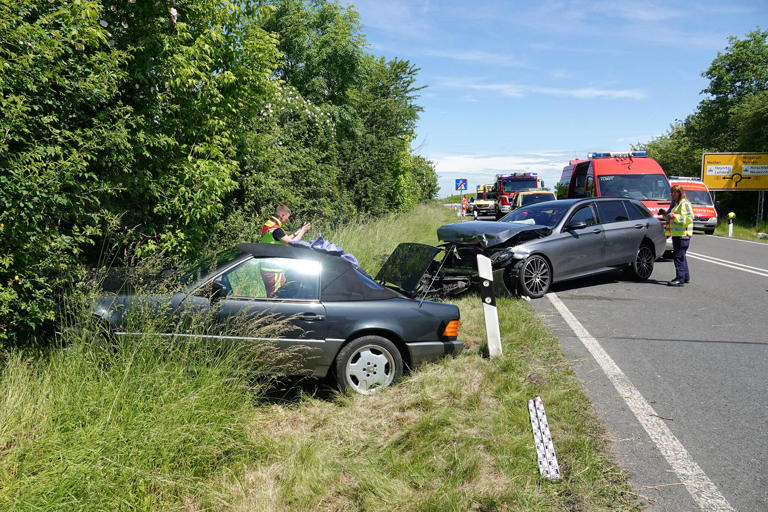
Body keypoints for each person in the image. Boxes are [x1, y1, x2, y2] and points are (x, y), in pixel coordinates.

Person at [260, 205, 311, 296]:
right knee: (276, 297)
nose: (288, 220)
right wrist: (303, 231)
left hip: (266, 267)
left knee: (271, 295)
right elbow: (292, 244)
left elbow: (286, 239)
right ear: (282, 216)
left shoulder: (269, 224)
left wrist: (299, 230)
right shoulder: (276, 230)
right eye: (288, 217)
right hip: (274, 270)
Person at [664, 184, 693, 286]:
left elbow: (689, 218)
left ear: (679, 193)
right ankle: (685, 277)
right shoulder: (676, 204)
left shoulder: (684, 204)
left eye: (673, 192)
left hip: (683, 235)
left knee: (678, 257)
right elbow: (670, 218)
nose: (671, 194)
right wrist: (666, 214)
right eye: (671, 192)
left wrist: (675, 216)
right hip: (677, 234)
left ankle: (680, 279)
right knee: (682, 256)